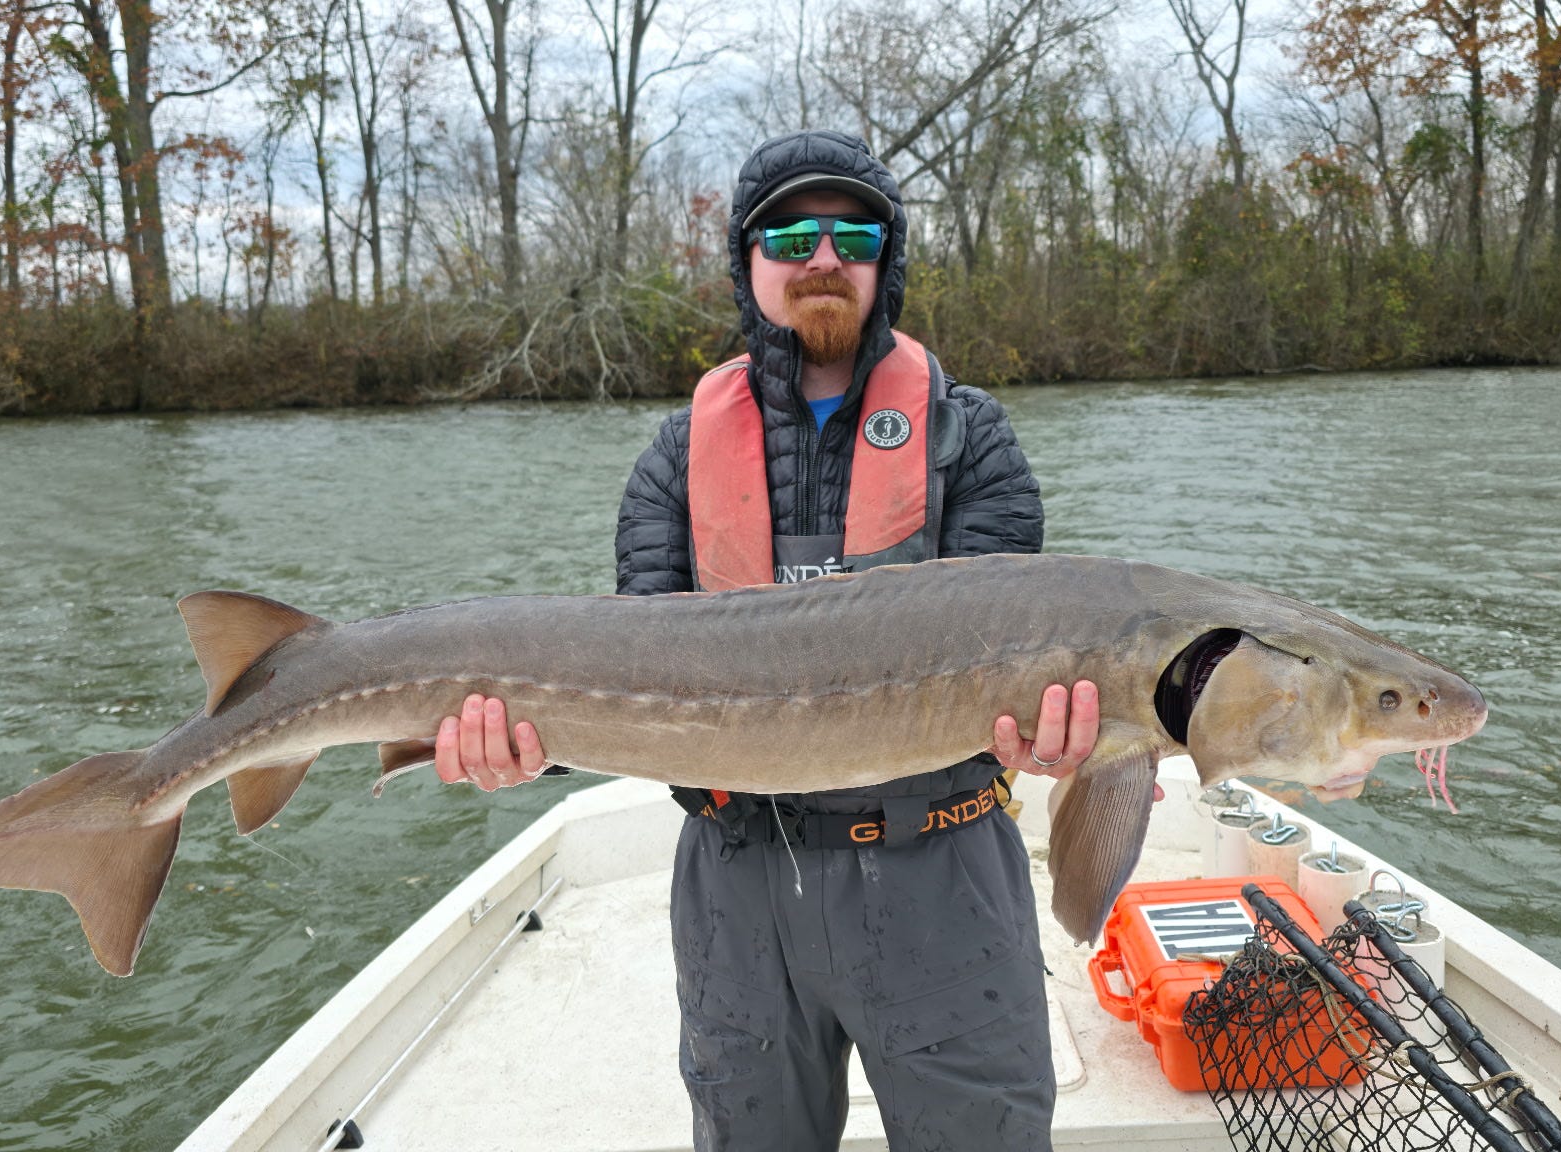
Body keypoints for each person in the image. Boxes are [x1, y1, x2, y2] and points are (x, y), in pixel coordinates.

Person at [430, 130, 1134, 1150]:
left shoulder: (968, 437)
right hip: (736, 883)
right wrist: (518, 750)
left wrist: (1065, 740)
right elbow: (628, 678)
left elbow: (1028, 666)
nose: (821, 255)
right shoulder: (675, 455)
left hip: (940, 877)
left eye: (852, 233)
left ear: (884, 261)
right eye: (791, 233)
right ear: (748, 261)